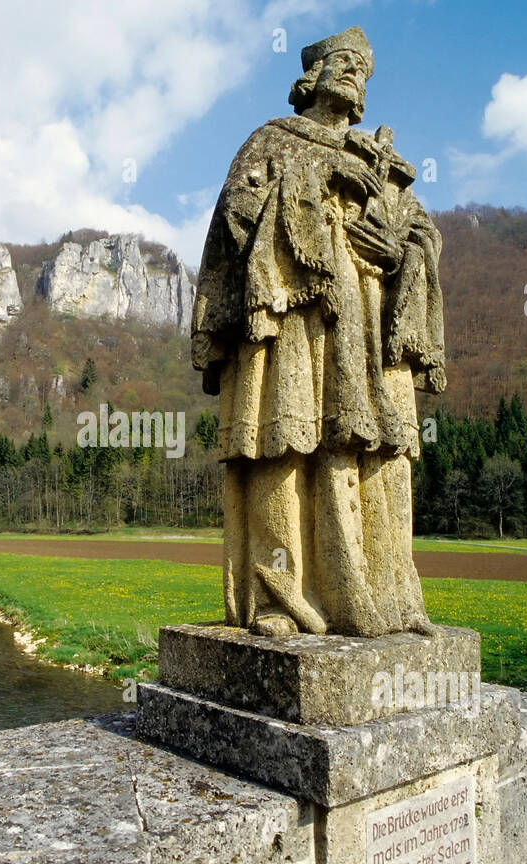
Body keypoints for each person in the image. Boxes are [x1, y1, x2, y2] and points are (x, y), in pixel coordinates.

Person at [191, 26, 445, 638]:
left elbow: (422, 235)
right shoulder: (272, 140)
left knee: (380, 452)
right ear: (313, 76)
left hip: (370, 323)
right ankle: (283, 596)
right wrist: (316, 184)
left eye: (366, 69)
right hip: (300, 316)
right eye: (346, 63)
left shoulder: (385, 166)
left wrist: (400, 250)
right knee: (287, 444)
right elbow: (236, 215)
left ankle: (387, 593)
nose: (357, 74)